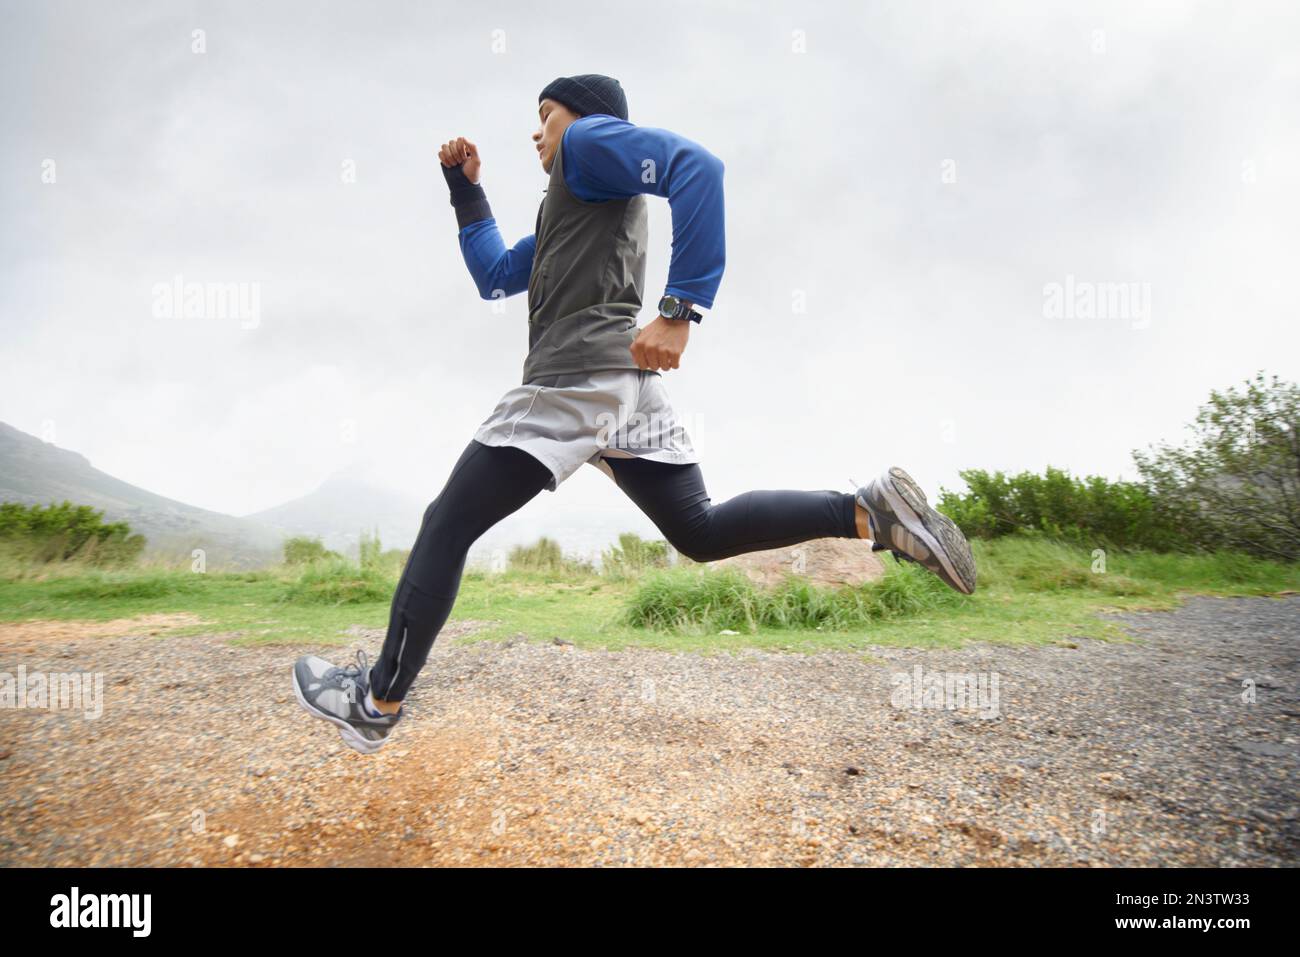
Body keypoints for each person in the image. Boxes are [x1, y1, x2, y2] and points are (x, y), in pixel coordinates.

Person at [293, 74, 977, 754]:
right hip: (622, 383)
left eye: (546, 115)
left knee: (447, 522)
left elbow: (698, 167)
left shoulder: (589, 144)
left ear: (588, 120)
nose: (537, 131)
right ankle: (867, 511)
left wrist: (681, 308)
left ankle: (376, 699)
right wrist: (466, 191)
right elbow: (495, 274)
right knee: (699, 529)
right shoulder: (570, 208)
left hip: (577, 378)